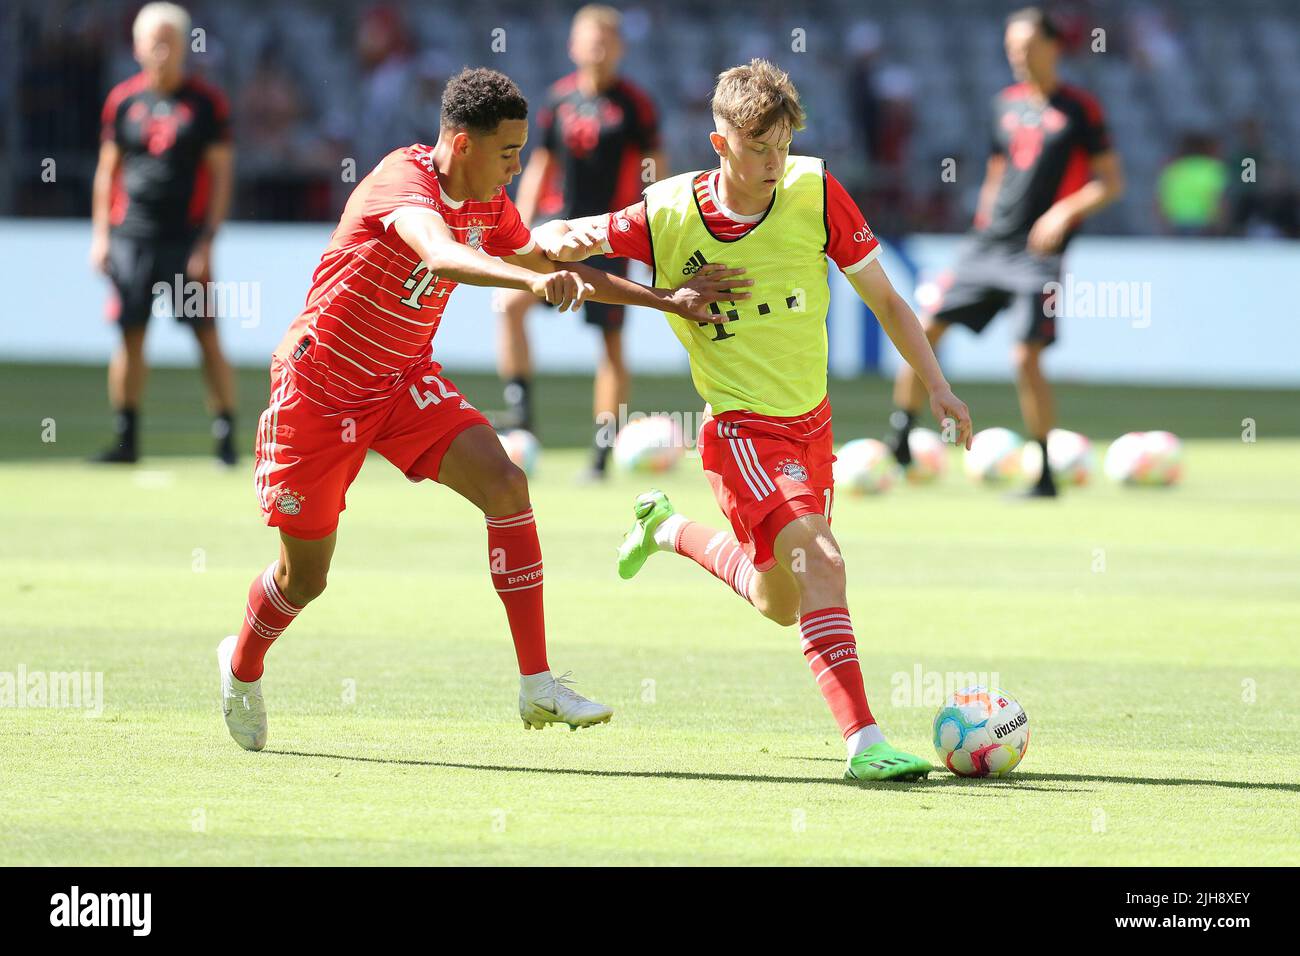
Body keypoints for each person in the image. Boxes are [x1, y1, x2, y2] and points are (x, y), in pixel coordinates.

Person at [217, 67, 738, 752]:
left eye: (522, 151)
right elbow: (439, 257)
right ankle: (242, 666)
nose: (518, 167)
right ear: (462, 145)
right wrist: (531, 279)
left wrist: (667, 298)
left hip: (402, 384)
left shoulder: (491, 205)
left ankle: (538, 683)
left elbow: (554, 265)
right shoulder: (401, 184)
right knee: (304, 577)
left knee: (506, 483)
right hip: (320, 389)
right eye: (507, 152)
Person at [533, 59, 973, 782]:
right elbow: (558, 249)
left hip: (812, 425)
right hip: (739, 430)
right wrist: (648, 287)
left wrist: (938, 384)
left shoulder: (817, 193)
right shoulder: (667, 212)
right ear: (720, 143)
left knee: (781, 601)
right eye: (759, 146)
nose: (775, 162)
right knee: (825, 563)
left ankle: (666, 529)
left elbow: (889, 302)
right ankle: (865, 744)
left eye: (784, 145)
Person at [886, 6, 1123, 497]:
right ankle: (900, 440)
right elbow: (998, 169)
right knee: (925, 327)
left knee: (1024, 357)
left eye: (1026, 46)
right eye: (1011, 48)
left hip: (1038, 256)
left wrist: (1063, 213)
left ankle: (1044, 472)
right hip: (987, 246)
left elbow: (1111, 183)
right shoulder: (1004, 105)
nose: (1017, 55)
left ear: (1053, 46)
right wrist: (981, 223)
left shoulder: (1080, 109)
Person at [496, 4, 665, 479]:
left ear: (620, 48)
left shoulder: (636, 105)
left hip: (611, 236)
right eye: (591, 38)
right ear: (574, 46)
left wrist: (654, 228)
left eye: (608, 40)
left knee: (610, 343)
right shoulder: (557, 101)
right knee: (509, 306)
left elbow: (656, 168)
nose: (599, 47)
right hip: (557, 229)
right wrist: (520, 225)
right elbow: (541, 167)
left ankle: (601, 452)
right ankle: (521, 410)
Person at [89, 2, 238, 465]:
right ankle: (125, 439)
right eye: (153, 40)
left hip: (185, 240)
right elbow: (106, 172)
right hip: (131, 238)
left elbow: (221, 177)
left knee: (205, 336)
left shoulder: (207, 104)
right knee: (130, 335)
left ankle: (227, 438)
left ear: (185, 47)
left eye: (170, 41)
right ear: (136, 47)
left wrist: (208, 242)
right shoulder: (123, 102)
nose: (161, 49)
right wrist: (100, 237)